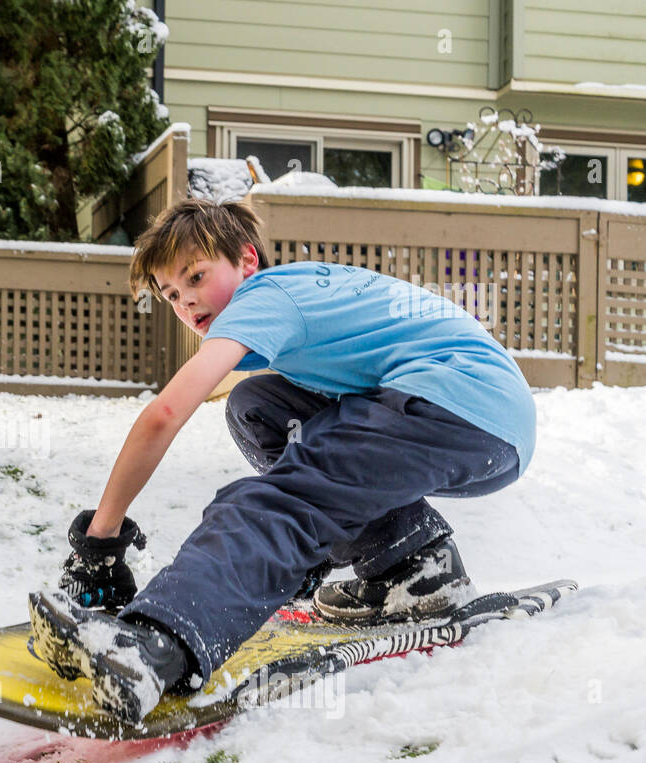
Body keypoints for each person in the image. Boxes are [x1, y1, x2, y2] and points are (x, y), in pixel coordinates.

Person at [28, 197, 536, 725]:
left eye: (196, 277)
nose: (187, 302)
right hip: (488, 418)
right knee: (259, 407)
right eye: (172, 294)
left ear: (247, 260)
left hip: (456, 402)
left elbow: (165, 414)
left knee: (284, 499)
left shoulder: (264, 299)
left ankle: (159, 644)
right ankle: (413, 566)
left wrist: (101, 542)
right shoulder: (298, 292)